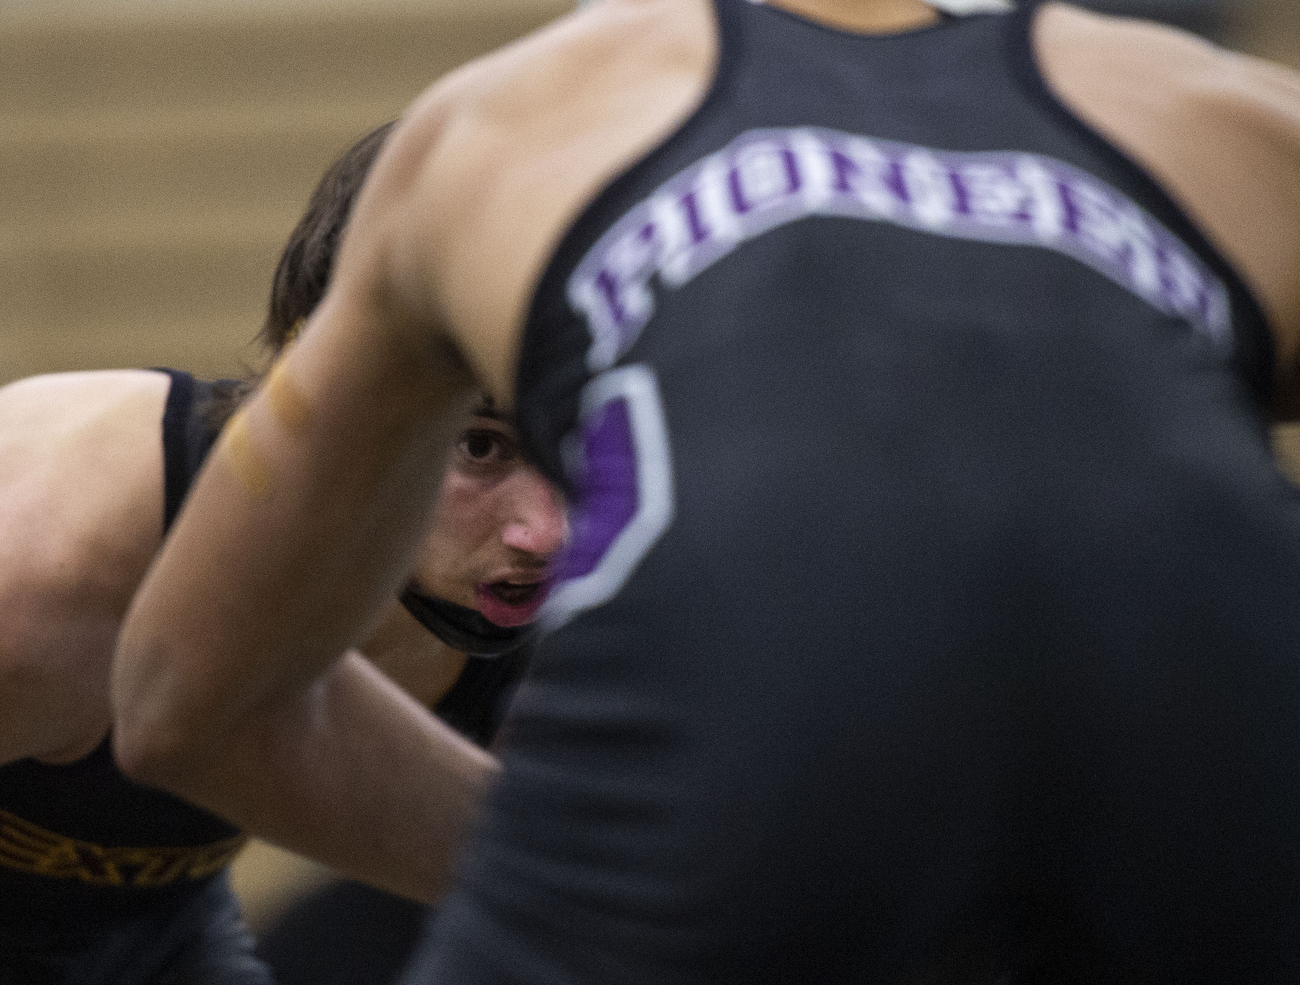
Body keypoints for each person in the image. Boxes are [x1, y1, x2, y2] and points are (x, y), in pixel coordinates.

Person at [114, 0, 1300, 979]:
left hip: (744, 732)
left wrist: (562, 851)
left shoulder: (512, 121)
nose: (537, 524)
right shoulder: (1209, 115)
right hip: (1220, 680)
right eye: (487, 452)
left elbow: (179, 701)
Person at [0, 122, 562, 984]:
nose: (545, 534)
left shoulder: (566, 608)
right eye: (479, 446)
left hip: (154, 926)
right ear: (328, 387)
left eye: (575, 442)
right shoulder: (60, 542)